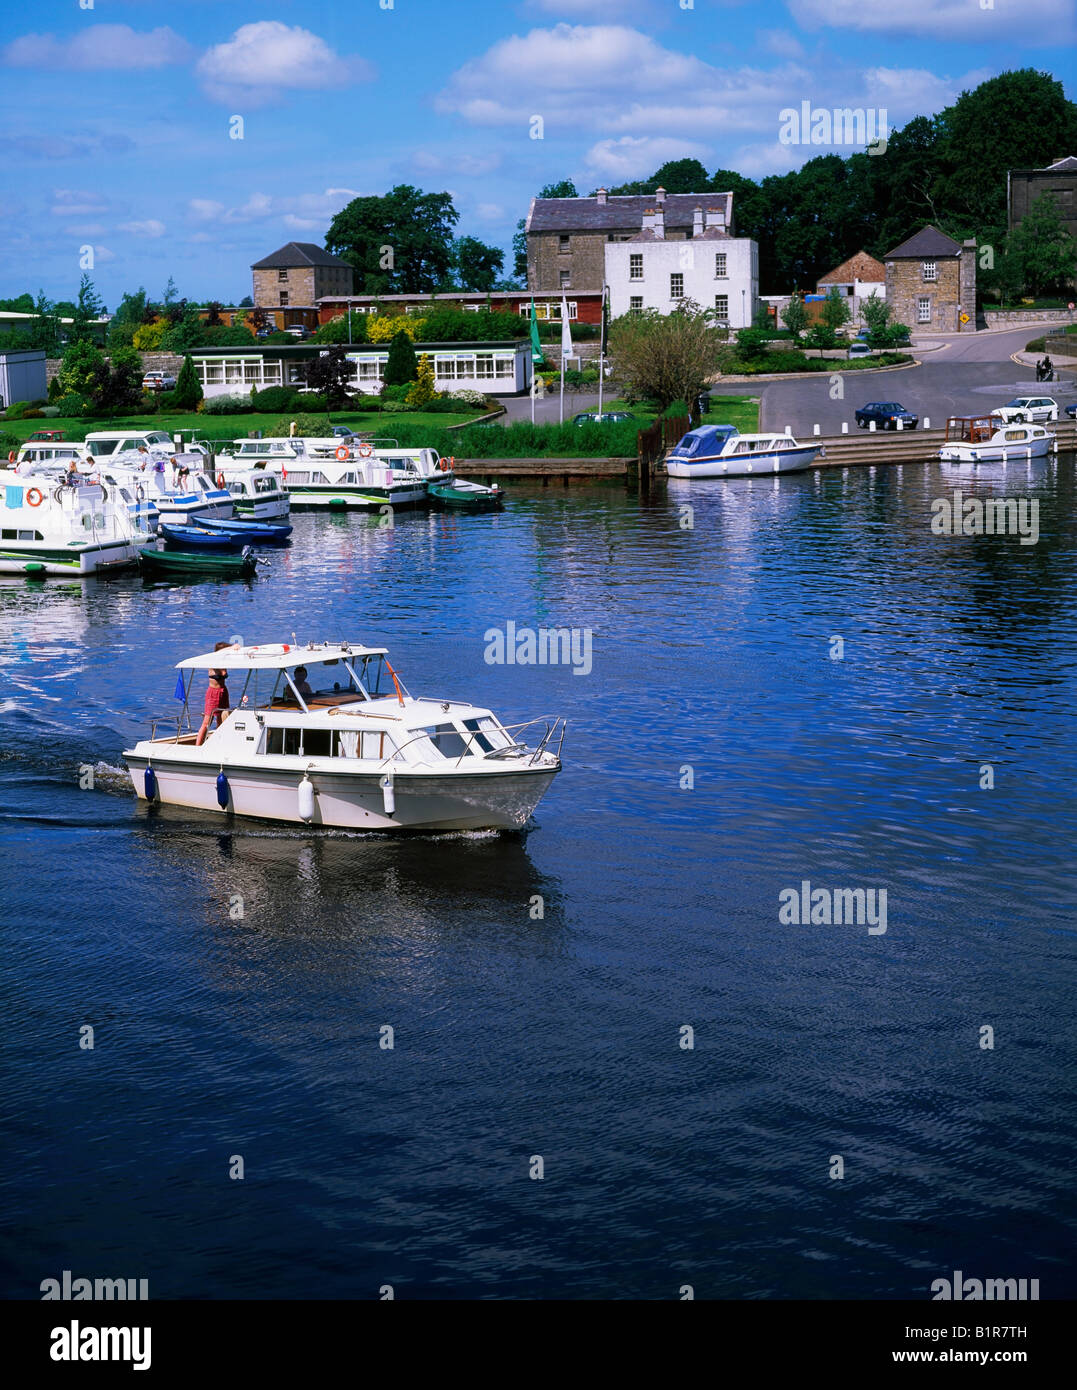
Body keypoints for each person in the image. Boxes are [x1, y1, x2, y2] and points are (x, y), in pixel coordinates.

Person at [195, 643, 232, 746]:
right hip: (213, 693)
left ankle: (219, 742)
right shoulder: (214, 661)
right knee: (207, 722)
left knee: (222, 719)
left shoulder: (223, 661)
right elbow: (223, 673)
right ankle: (197, 746)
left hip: (223, 691)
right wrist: (232, 648)